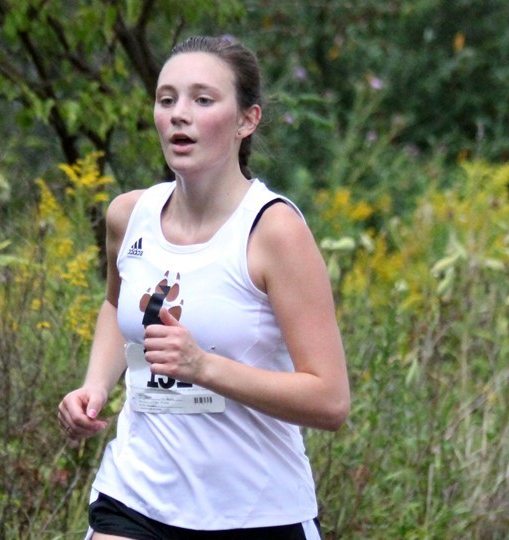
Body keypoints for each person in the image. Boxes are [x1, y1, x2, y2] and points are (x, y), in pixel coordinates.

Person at [57, 35, 350, 540]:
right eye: (166, 99)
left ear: (247, 120)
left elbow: (330, 402)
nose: (178, 114)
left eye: (203, 100)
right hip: (135, 495)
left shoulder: (273, 232)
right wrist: (96, 386)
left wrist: (204, 367)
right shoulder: (129, 216)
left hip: (256, 512)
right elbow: (115, 305)